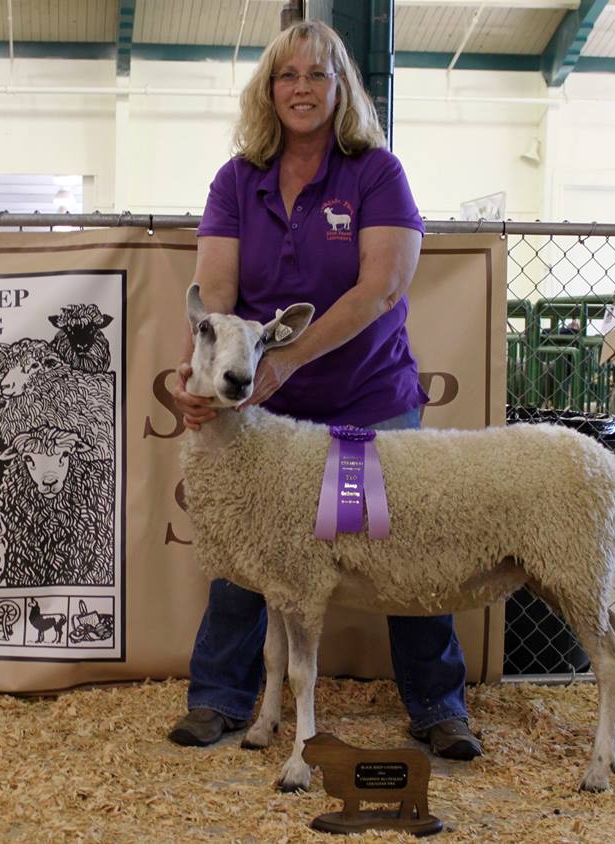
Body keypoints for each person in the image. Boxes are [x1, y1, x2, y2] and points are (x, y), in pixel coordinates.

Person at [167, 20, 481, 761]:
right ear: (268, 91)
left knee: (407, 550)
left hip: (365, 398)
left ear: (341, 87)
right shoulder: (238, 180)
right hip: (268, 403)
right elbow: (215, 294)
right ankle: (219, 697)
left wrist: (291, 360)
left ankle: (438, 706)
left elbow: (380, 288)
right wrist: (208, 376)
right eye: (286, 76)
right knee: (252, 547)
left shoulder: (375, 173)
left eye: (317, 74)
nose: (301, 88)